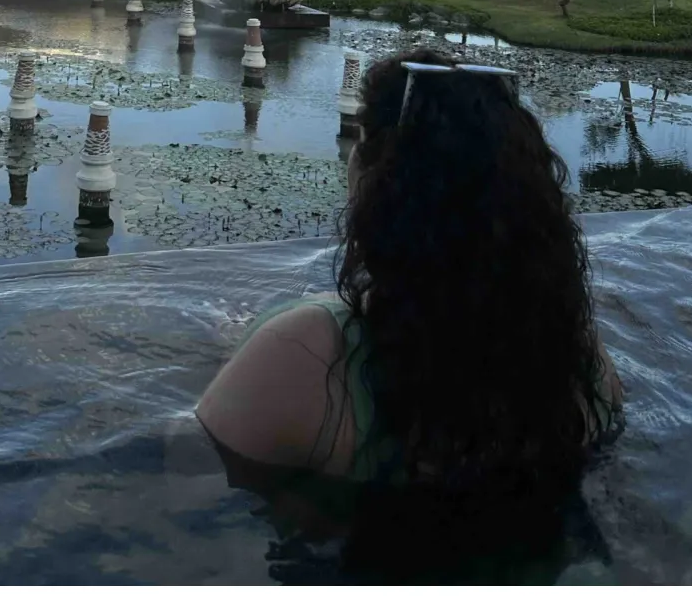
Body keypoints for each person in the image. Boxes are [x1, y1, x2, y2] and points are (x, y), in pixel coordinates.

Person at [197, 51, 623, 571]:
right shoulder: (583, 363)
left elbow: (182, 482)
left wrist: (241, 359)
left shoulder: (300, 355)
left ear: (378, 182)